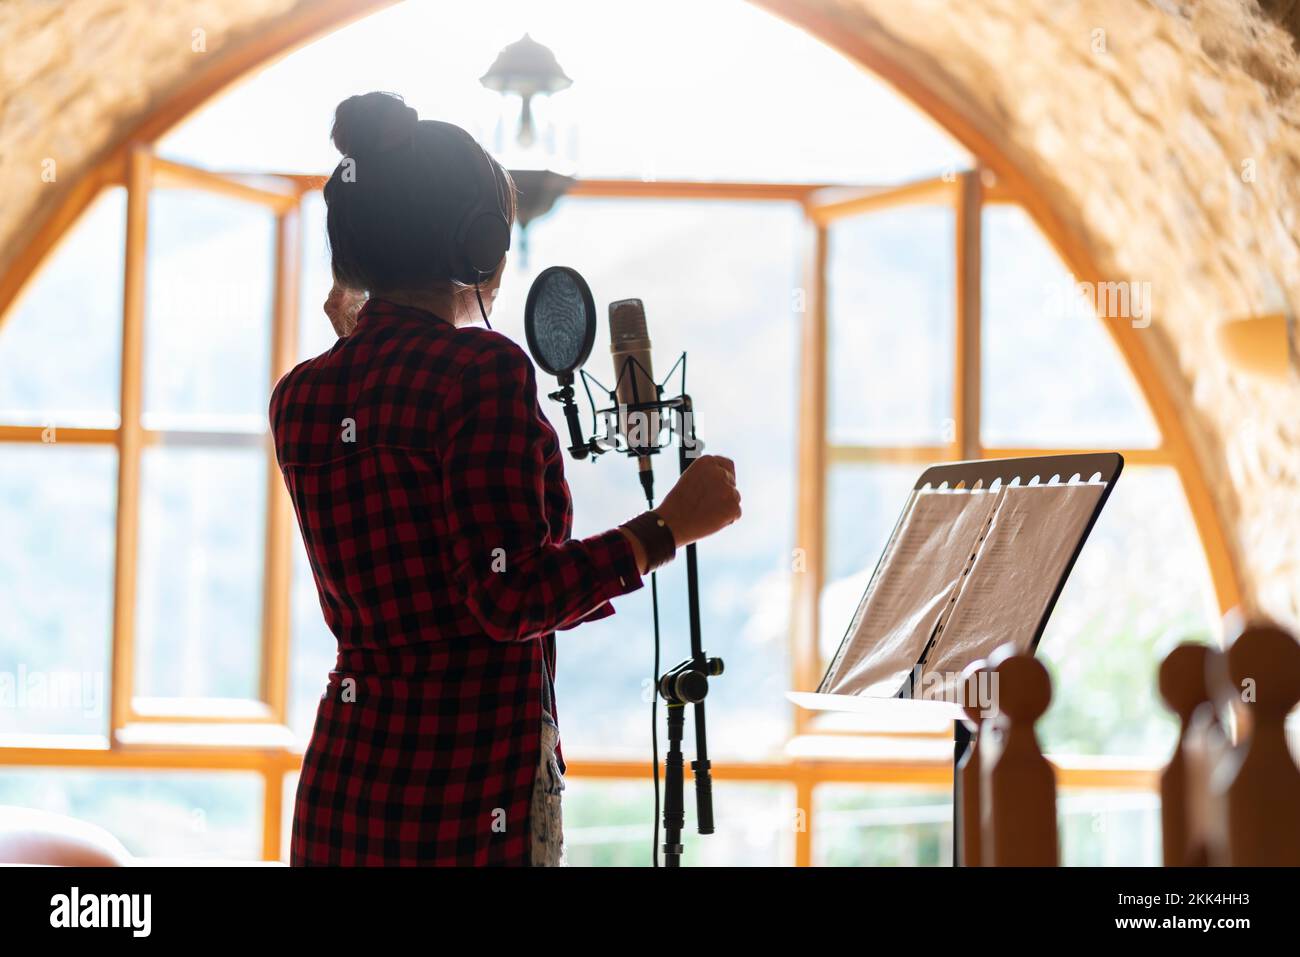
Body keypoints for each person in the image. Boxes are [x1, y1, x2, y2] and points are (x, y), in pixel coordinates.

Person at [269, 92, 741, 865]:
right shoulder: (481, 369)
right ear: (480, 242)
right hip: (463, 791)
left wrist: (363, 347)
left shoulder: (300, 396)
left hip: (344, 794)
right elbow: (507, 596)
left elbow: (404, 510)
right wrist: (666, 530)